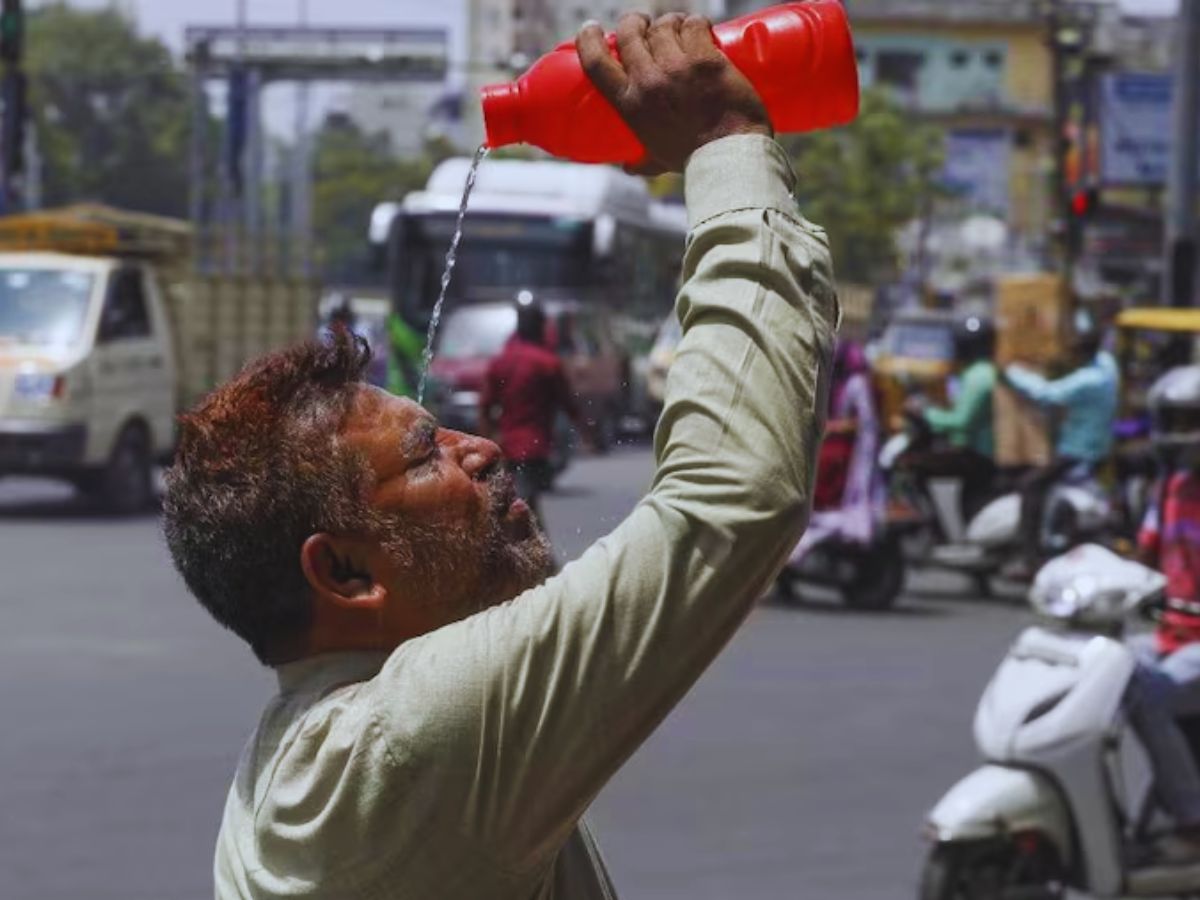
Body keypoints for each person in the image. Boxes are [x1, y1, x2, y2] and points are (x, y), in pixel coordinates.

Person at [161, 13, 837, 899]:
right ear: (346, 573)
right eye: (426, 455)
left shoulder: (321, 745)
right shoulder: (406, 743)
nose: (478, 449)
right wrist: (724, 143)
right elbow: (730, 498)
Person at [1123, 366, 1200, 859]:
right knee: (1099, 666)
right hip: (1172, 634)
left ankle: (1192, 820)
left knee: (1148, 696)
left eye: (1188, 420)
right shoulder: (1171, 486)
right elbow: (1143, 559)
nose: (1177, 433)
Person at [1004, 317, 1119, 574]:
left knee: (1030, 485)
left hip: (1078, 451)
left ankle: (1029, 556)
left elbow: (1047, 394)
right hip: (1094, 448)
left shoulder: (1088, 379)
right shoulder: (1107, 367)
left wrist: (1012, 372)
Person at [478, 297, 580, 525]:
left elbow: (485, 406)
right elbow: (568, 403)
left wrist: (489, 440)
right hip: (535, 448)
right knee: (525, 509)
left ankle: (534, 556)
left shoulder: (500, 361)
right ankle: (538, 558)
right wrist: (587, 431)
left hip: (506, 447)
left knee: (519, 507)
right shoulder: (548, 363)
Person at [902, 315, 998, 522]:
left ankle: (931, 523)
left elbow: (962, 421)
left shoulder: (978, 376)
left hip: (978, 454)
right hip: (974, 450)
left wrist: (926, 413)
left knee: (912, 464)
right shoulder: (976, 373)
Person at [386, 312, 425, 399]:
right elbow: (413, 351)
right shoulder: (398, 327)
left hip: (401, 386)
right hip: (401, 388)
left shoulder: (396, 326)